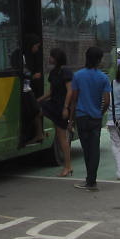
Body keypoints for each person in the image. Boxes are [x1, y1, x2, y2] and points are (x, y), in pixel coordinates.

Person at [66, 47, 112, 190]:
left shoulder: (78, 76)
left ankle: (89, 180)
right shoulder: (103, 77)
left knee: (86, 149)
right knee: (95, 149)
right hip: (95, 118)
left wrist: (71, 120)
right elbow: (107, 101)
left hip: (81, 117)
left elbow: (74, 99)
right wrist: (100, 112)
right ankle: (93, 179)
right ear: (99, 60)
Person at [39, 47, 74, 177]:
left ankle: (68, 166)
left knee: (61, 137)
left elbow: (70, 91)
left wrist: (66, 107)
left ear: (57, 58)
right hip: (53, 104)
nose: (49, 58)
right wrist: (39, 100)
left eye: (51, 56)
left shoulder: (66, 72)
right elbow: (51, 92)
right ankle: (39, 134)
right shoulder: (53, 72)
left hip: (61, 106)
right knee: (37, 110)